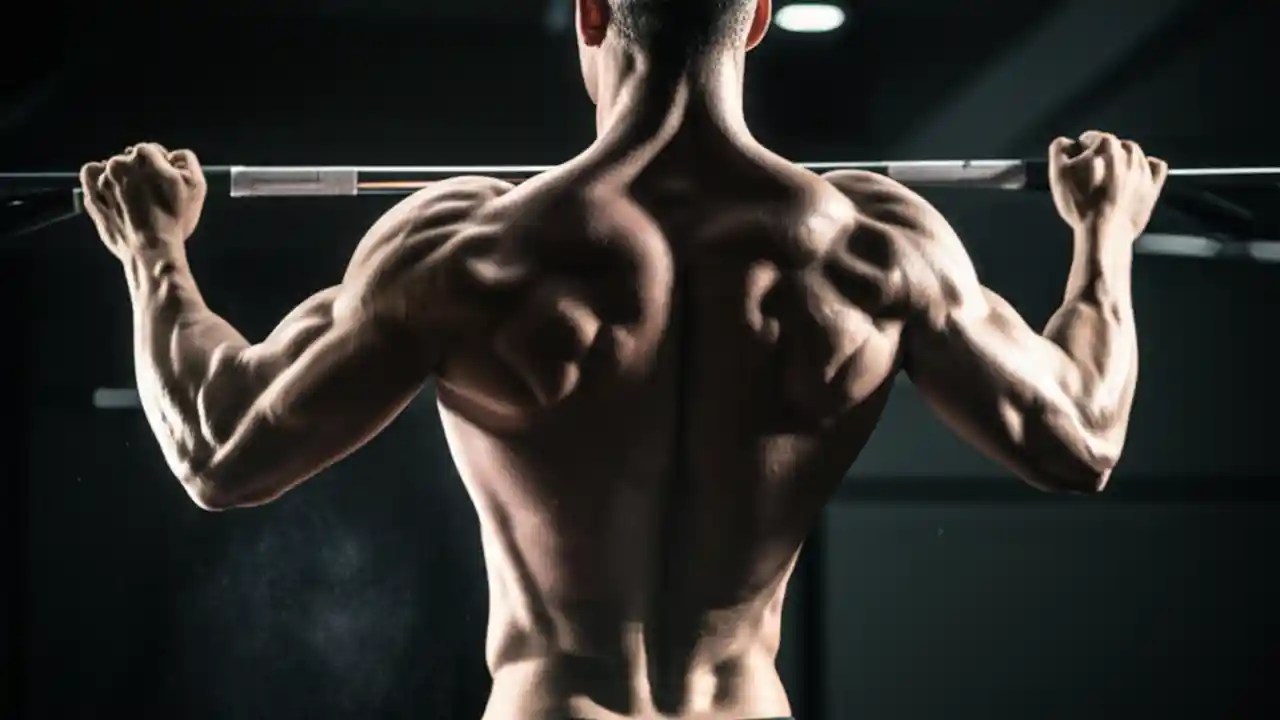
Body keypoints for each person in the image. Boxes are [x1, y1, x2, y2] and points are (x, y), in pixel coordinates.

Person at [78, 0, 1167, 717]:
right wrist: (1103, 235)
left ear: (590, 14)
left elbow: (220, 444)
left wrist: (153, 250)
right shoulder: (871, 246)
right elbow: (1079, 436)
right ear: (757, 23)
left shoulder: (472, 251)